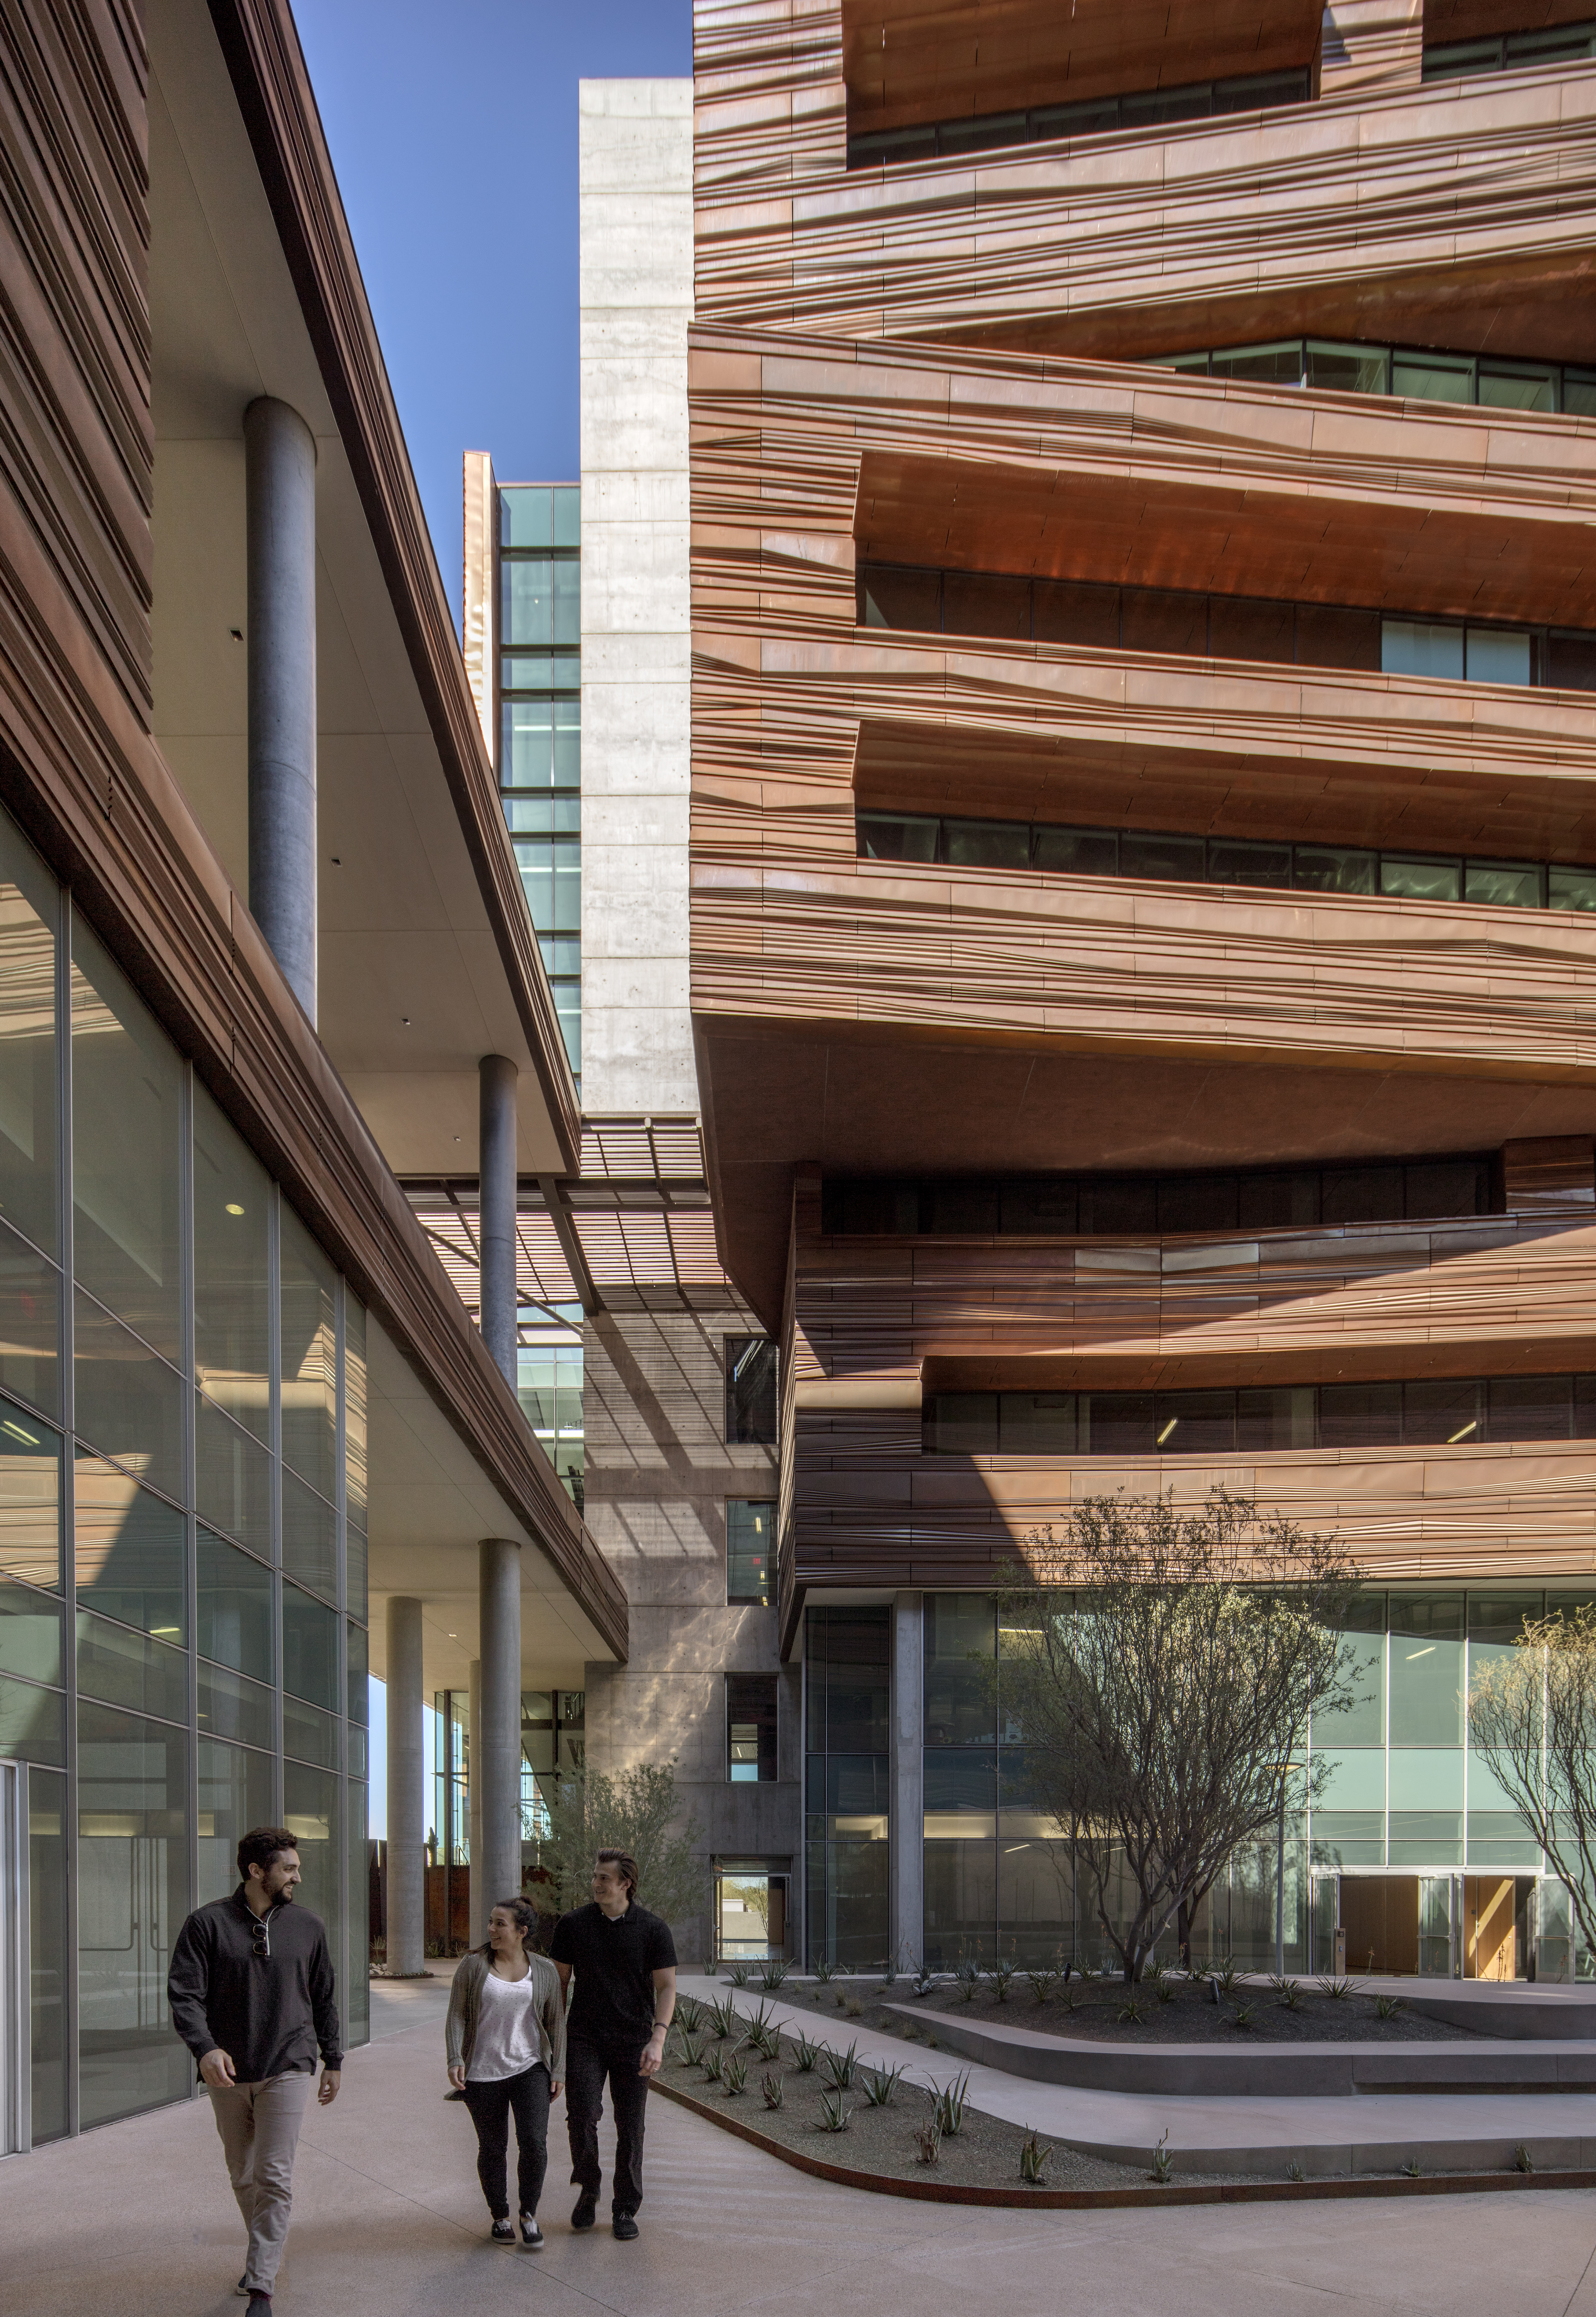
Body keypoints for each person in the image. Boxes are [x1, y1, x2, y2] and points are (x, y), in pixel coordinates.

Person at [167, 1827, 341, 2316]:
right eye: (289, 1868)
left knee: (273, 2174)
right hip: (228, 2071)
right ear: (256, 1871)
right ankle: (263, 2253)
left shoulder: (309, 1927)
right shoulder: (206, 1925)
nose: (297, 1877)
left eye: (297, 1868)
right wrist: (204, 2049)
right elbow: (185, 1994)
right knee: (242, 2173)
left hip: (289, 2063)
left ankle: (261, 2286)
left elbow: (324, 1996)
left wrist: (334, 2059)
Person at [550, 1849, 676, 2240]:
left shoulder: (653, 1929)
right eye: (595, 1877)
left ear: (626, 1883)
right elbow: (559, 1984)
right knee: (583, 2114)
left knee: (631, 2126)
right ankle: (589, 2187)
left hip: (634, 2039)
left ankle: (625, 2208)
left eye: (604, 1878)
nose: (596, 1884)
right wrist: (554, 2041)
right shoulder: (573, 1924)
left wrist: (658, 2037)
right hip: (585, 2036)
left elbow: (667, 1986)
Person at [445, 1895, 566, 2246]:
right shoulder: (473, 1965)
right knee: (493, 2147)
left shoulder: (543, 1969)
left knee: (534, 2144)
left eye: (500, 1923)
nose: (491, 1929)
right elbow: (457, 2014)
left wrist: (558, 2067)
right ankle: (500, 2216)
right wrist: (456, 2057)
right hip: (483, 2071)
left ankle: (529, 2214)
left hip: (530, 2067)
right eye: (491, 1922)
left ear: (521, 1931)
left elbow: (556, 2021)